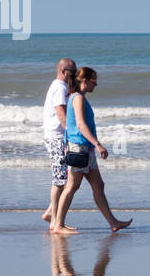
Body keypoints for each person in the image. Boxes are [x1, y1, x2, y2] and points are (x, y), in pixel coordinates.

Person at [50, 67, 133, 235]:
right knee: (72, 186)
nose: (96, 83)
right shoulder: (78, 98)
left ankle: (113, 222)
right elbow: (81, 125)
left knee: (98, 185)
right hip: (78, 148)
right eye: (94, 80)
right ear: (85, 80)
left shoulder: (80, 98)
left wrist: (93, 146)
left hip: (85, 149)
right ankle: (58, 225)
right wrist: (98, 144)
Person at [42, 59, 77, 224]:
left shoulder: (61, 86)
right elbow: (61, 113)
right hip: (57, 137)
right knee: (59, 180)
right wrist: (71, 135)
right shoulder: (59, 87)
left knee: (64, 178)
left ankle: (51, 213)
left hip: (57, 136)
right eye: (73, 72)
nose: (75, 75)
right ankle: (56, 221)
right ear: (64, 72)